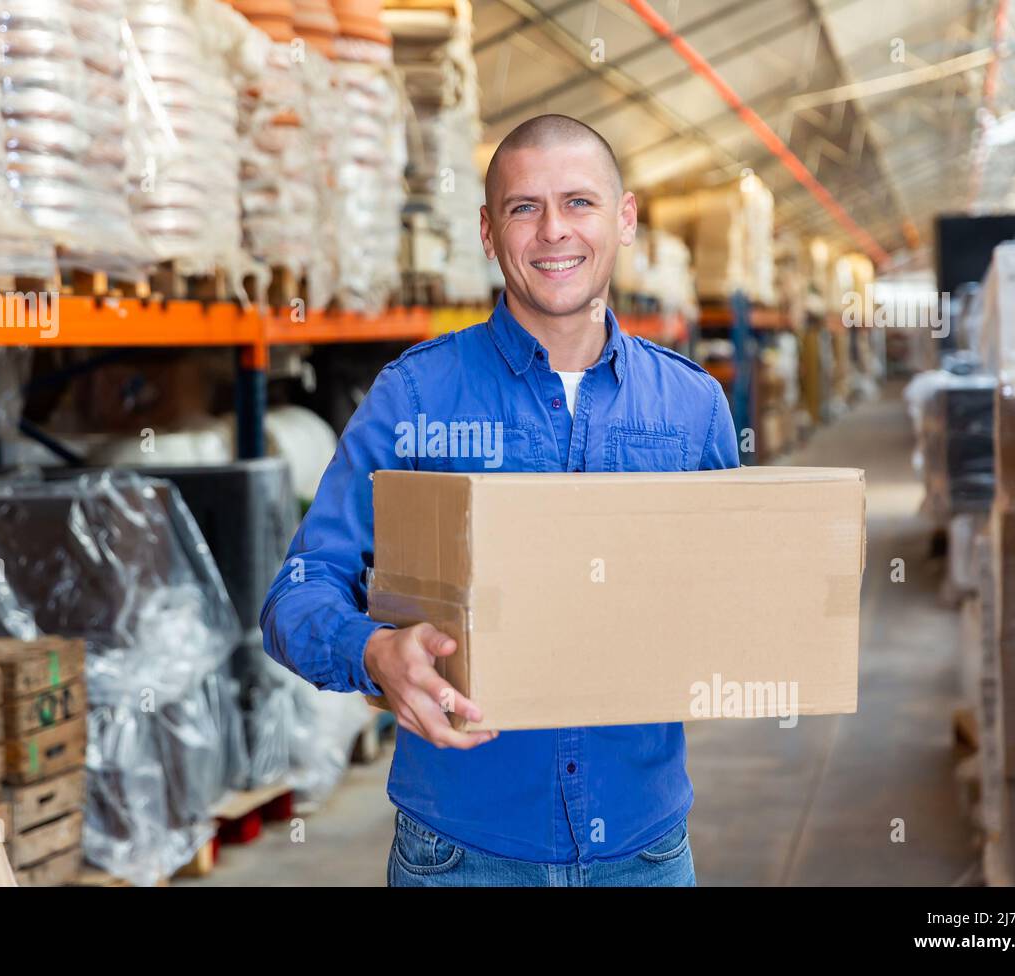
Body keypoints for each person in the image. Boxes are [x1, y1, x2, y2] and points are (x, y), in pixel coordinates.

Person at [261, 114, 739, 886]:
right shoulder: (414, 396)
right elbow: (298, 589)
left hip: (644, 852)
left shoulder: (692, 406)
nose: (554, 231)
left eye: (579, 203)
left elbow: (737, 589)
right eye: (525, 208)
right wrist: (373, 652)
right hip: (461, 855)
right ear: (488, 232)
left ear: (624, 220)